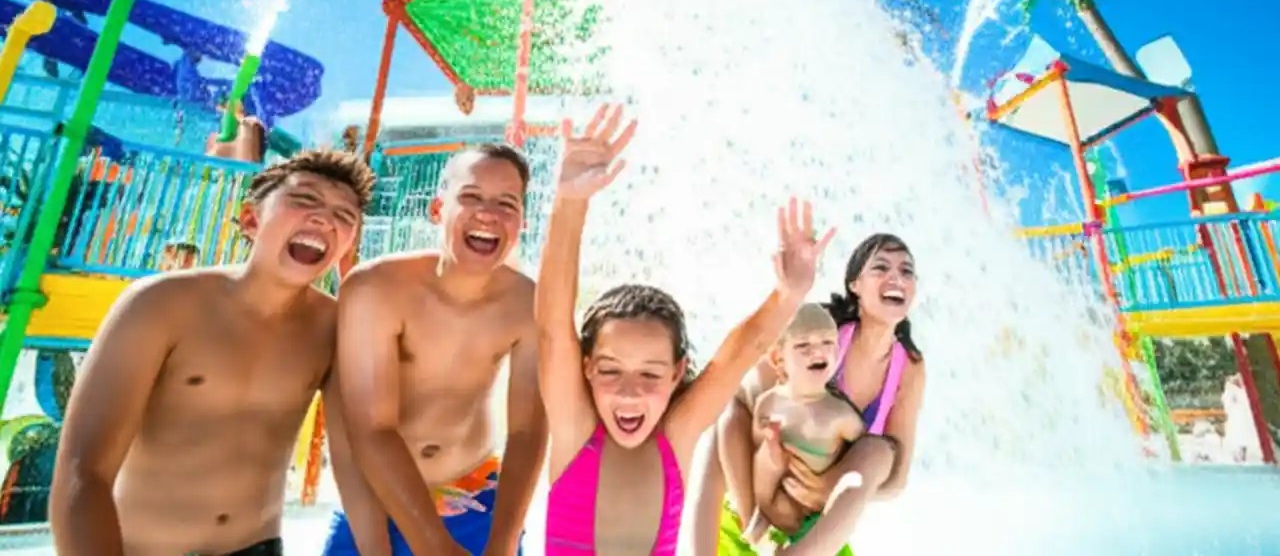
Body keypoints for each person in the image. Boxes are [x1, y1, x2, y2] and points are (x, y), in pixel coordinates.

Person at [536, 104, 836, 555]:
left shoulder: (675, 437)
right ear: (586, 368)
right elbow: (553, 328)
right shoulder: (576, 428)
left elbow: (741, 351)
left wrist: (788, 295)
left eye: (650, 374)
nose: (630, 393)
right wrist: (570, 204)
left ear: (678, 374)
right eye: (612, 370)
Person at [49, 149, 374, 556]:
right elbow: (84, 472)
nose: (325, 220)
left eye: (345, 218)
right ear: (252, 219)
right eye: (305, 200)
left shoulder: (335, 328)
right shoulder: (160, 305)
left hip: (258, 547)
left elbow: (357, 459)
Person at [326, 142, 547, 556]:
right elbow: (372, 428)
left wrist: (504, 541)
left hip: (475, 498)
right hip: (379, 497)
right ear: (436, 209)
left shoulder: (527, 303)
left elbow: (527, 430)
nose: (488, 213)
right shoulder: (375, 289)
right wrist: (432, 544)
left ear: (522, 223)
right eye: (471, 196)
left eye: (507, 203)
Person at [692, 233, 927, 556]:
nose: (896, 278)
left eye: (906, 271)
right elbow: (731, 416)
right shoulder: (815, 332)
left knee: (880, 451)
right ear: (854, 284)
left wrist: (832, 485)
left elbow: (895, 480)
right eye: (881, 267)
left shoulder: (908, 367)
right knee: (740, 404)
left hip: (814, 532)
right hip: (748, 517)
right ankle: (756, 527)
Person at [743, 304, 864, 553]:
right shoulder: (769, 403)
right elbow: (753, 453)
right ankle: (761, 520)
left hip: (810, 515)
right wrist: (771, 455)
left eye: (827, 343)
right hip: (772, 500)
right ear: (779, 359)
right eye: (803, 346)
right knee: (767, 449)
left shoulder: (841, 416)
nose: (817, 352)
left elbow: (859, 461)